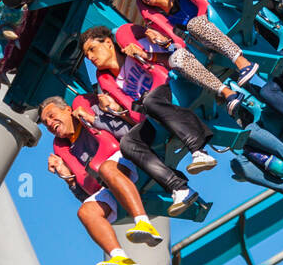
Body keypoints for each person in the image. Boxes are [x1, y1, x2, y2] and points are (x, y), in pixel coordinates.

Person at [79, 24, 219, 216]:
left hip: (173, 90)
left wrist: (149, 53)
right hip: (152, 114)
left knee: (151, 100)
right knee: (128, 143)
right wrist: (118, 111)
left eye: (92, 49)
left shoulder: (137, 46)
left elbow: (178, 56)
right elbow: (133, 117)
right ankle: (179, 188)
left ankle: (199, 150)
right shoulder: (107, 86)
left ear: (109, 44)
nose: (90, 57)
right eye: (87, 55)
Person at [39, 96, 163, 265]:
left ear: (66, 109)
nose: (49, 123)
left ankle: (144, 223)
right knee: (85, 211)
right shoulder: (66, 149)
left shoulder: (93, 110)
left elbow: (127, 130)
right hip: (110, 179)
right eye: (45, 123)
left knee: (106, 168)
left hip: (130, 153)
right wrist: (67, 177)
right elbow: (86, 194)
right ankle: (121, 259)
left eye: (51, 115)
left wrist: (94, 119)